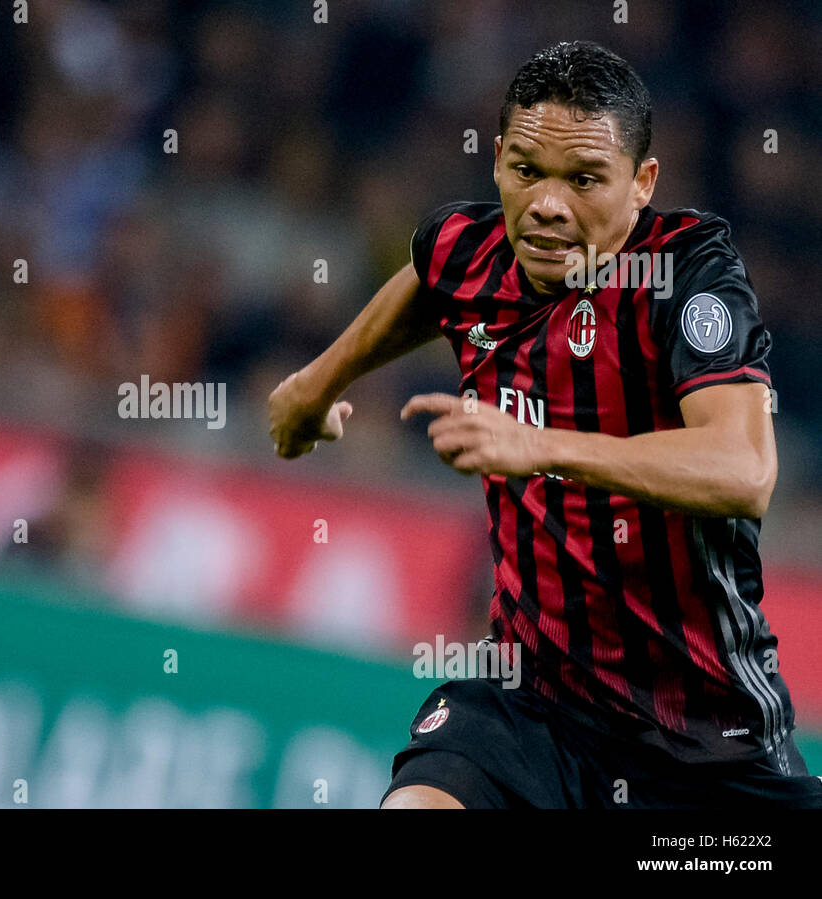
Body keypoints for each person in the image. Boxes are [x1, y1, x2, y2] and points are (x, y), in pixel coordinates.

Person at [268, 40, 822, 808]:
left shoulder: (689, 276)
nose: (549, 204)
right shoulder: (471, 251)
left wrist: (540, 445)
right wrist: (313, 385)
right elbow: (429, 280)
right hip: (530, 709)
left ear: (641, 185)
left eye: (586, 179)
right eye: (526, 170)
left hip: (703, 745)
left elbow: (742, 469)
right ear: (497, 160)